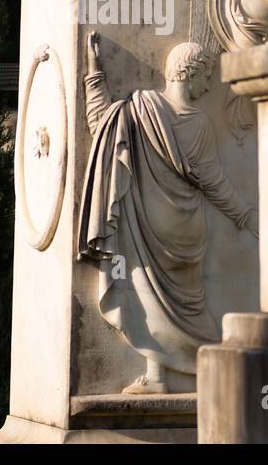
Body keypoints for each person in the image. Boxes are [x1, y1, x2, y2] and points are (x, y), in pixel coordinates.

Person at [77, 32, 256, 394]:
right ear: (190, 73)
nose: (209, 84)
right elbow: (214, 182)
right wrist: (244, 215)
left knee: (146, 303)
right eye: (206, 75)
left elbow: (100, 125)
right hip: (186, 231)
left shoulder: (138, 109)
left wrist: (94, 72)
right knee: (187, 308)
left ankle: (171, 374)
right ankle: (202, 370)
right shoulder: (197, 123)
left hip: (146, 227)